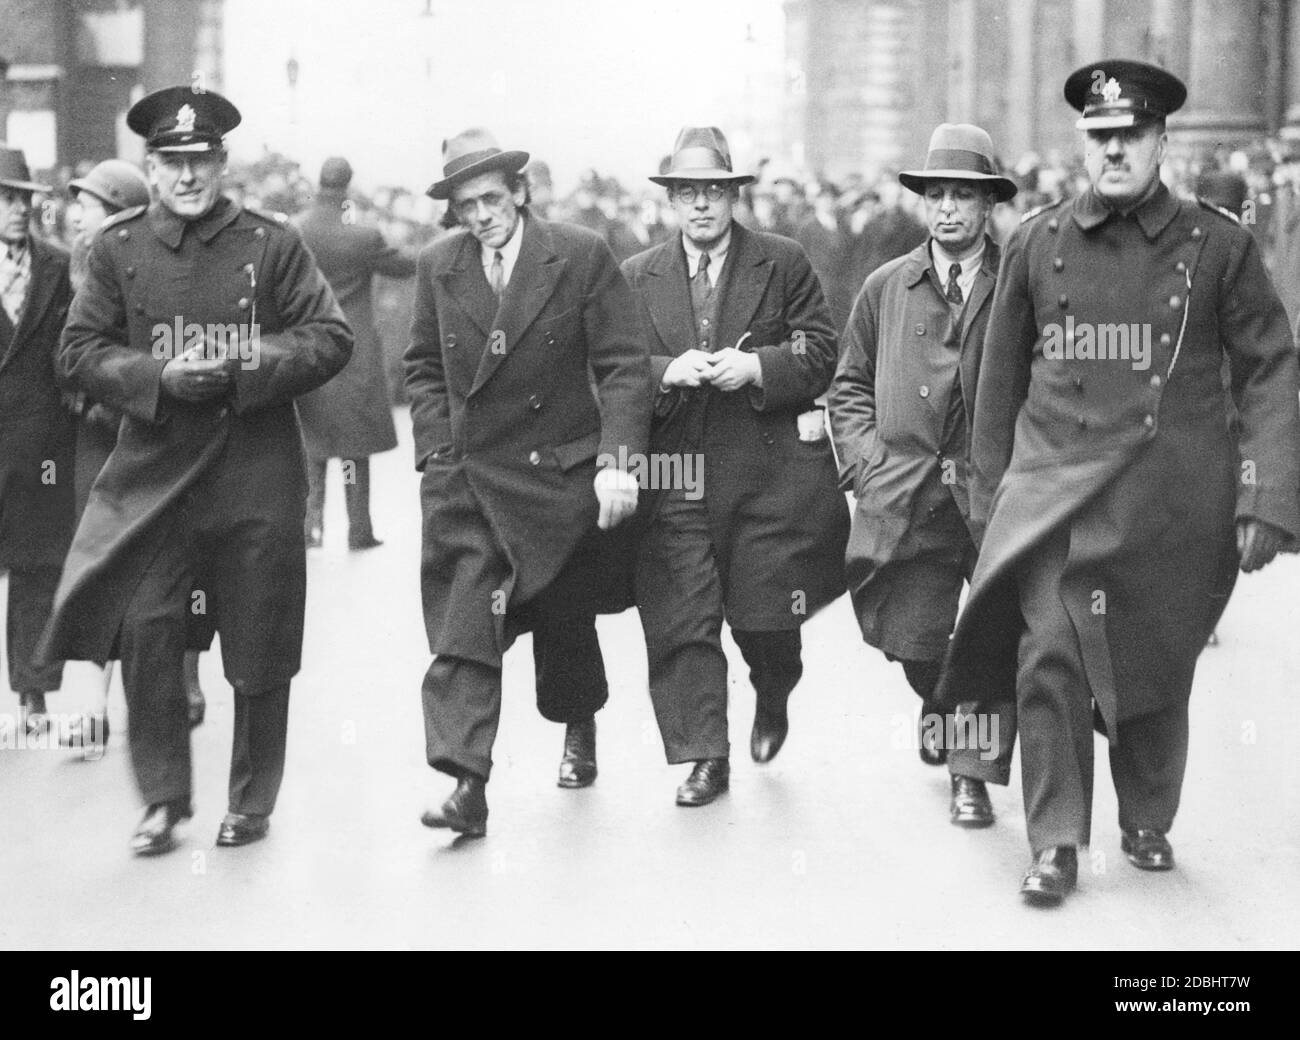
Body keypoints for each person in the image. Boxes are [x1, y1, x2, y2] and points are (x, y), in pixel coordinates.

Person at [935, 60, 1300, 905]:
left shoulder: (1220, 246)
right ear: (1083, 145)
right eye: (1100, 138)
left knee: (1156, 660)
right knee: (1050, 658)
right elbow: (995, 385)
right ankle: (1056, 839)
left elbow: (1270, 371)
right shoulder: (1037, 240)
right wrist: (991, 507)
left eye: (1131, 137)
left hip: (1174, 502)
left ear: (1162, 142)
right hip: (1054, 493)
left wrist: (1264, 496)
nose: (1115, 152)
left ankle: (1148, 814)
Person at [39, 86, 352, 855]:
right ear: (151, 166)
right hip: (154, 481)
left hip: (256, 477)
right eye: (171, 161)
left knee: (259, 639)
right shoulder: (117, 250)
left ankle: (250, 799)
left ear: (221, 162)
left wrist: (246, 365)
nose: (186, 176)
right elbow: (77, 351)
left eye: (200, 159)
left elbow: (328, 335)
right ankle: (163, 799)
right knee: (147, 635)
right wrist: (155, 379)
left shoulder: (270, 244)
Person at [407, 128, 649, 836]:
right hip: (470, 479)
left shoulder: (577, 255)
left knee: (561, 616)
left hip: (558, 475)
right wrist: (434, 449)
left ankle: (579, 724)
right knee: (467, 623)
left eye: (491, 198)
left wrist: (618, 462)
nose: (481, 216)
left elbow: (624, 365)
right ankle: (466, 783)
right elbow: (422, 366)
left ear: (520, 191)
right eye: (465, 205)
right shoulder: (438, 265)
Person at [621, 126, 849, 806]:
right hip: (678, 477)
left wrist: (759, 366)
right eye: (687, 193)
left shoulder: (781, 262)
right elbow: (614, 369)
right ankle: (704, 757)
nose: (701, 206)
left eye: (714, 192)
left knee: (763, 620)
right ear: (671, 201)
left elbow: (823, 352)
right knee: (684, 617)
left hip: (765, 475)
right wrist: (666, 371)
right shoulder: (638, 276)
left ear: (732, 196)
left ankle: (774, 687)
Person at [830, 123, 1018, 827]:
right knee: (911, 639)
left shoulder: (1017, 281)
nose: (947, 209)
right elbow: (846, 384)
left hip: (993, 492)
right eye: (936, 194)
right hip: (906, 491)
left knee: (994, 631)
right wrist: (866, 465)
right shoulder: (887, 286)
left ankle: (969, 777)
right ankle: (939, 705)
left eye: (963, 196)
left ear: (988, 205)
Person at [60, 158, 210, 751]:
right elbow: (70, 352)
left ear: (118, 210)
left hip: (150, 436)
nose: (77, 212)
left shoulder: (153, 263)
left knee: (175, 571)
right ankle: (91, 708)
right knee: (99, 571)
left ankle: (183, 681)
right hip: (96, 440)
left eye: (90, 203)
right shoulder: (78, 262)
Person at [296, 156, 416, 550]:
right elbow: (402, 266)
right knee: (352, 448)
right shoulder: (363, 237)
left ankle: (311, 526)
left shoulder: (297, 231)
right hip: (353, 349)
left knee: (313, 443)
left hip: (309, 346)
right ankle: (359, 529)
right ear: (347, 186)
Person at [0, 145, 74, 739]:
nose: (15, 209)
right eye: (4, 198)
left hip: (43, 449)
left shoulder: (59, 268)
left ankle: (34, 695)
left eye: (21, 198)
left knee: (37, 569)